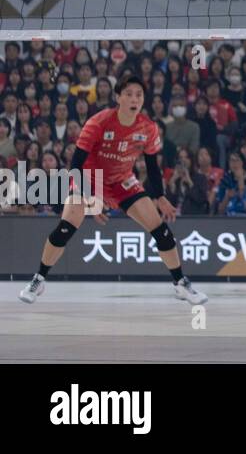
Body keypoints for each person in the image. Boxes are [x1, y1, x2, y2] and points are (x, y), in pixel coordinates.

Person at [18, 76, 207, 306]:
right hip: (89, 177)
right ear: (118, 97)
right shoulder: (98, 122)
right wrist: (90, 198)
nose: (134, 98)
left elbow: (152, 167)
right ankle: (38, 280)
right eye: (128, 94)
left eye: (139, 94)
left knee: (161, 231)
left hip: (122, 180)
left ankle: (180, 284)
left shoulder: (148, 127)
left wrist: (160, 197)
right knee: (65, 228)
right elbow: (76, 163)